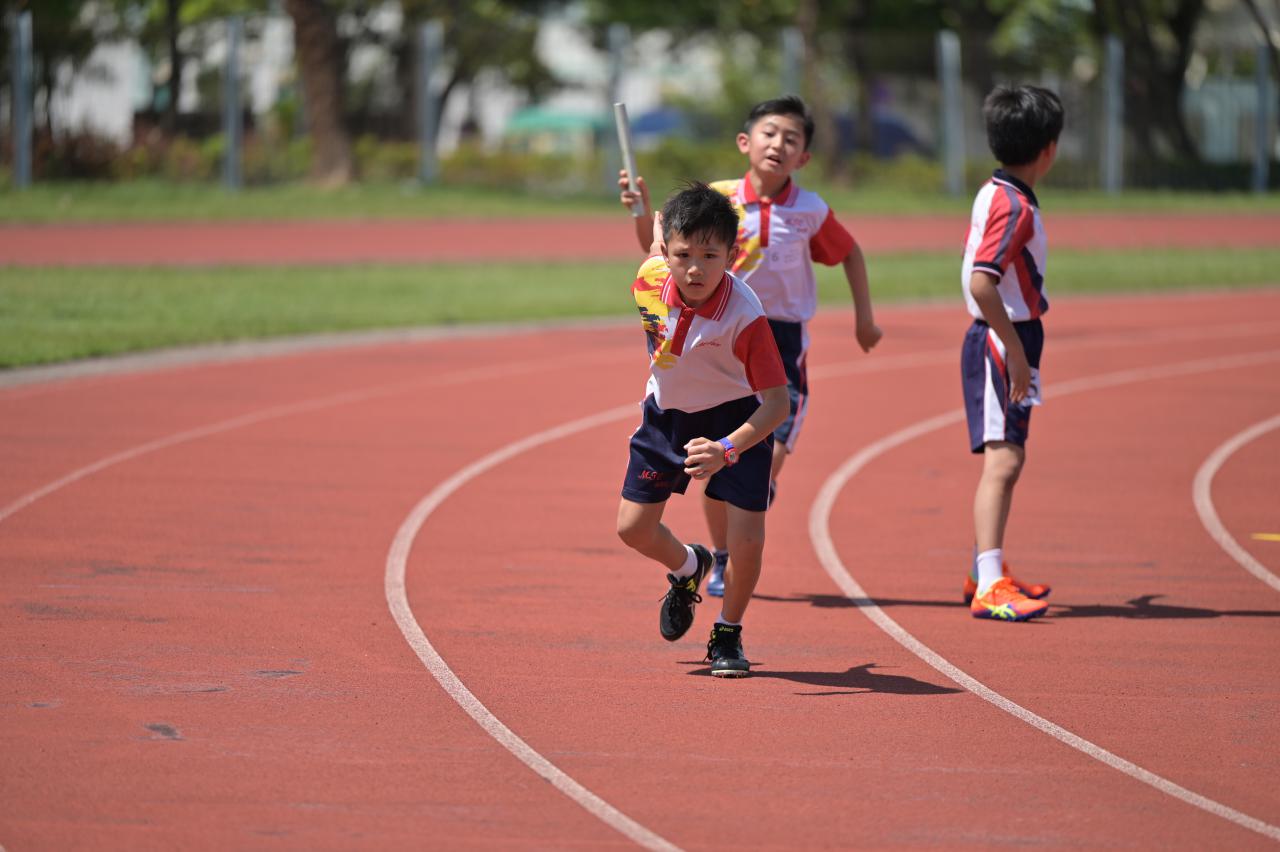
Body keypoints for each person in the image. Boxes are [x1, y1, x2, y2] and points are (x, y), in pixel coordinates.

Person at [619, 95, 882, 598]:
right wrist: (640, 211)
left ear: (804, 156)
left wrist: (864, 318)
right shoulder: (716, 199)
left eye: (791, 138)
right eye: (769, 133)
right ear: (745, 142)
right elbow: (658, 251)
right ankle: (718, 556)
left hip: (779, 334)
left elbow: (849, 253)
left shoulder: (809, 210)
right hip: (713, 331)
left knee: (765, 445)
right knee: (717, 459)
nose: (778, 145)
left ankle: (752, 489)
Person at [616, 182, 789, 677]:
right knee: (632, 529)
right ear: (667, 253)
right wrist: (644, 210)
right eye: (683, 254)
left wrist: (727, 450)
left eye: (710, 255)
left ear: (732, 256)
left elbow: (777, 404)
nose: (695, 268)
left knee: (747, 538)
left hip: (737, 419)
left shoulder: (745, 315)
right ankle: (690, 567)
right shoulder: (652, 275)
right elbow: (652, 240)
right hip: (668, 414)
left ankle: (728, 632)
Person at [960, 85, 1063, 621]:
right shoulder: (1015, 205)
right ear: (1050, 148)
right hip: (1003, 338)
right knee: (1005, 459)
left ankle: (985, 569)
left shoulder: (997, 190)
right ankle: (990, 583)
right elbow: (983, 282)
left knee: (1007, 457)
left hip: (1007, 335)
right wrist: (1016, 351)